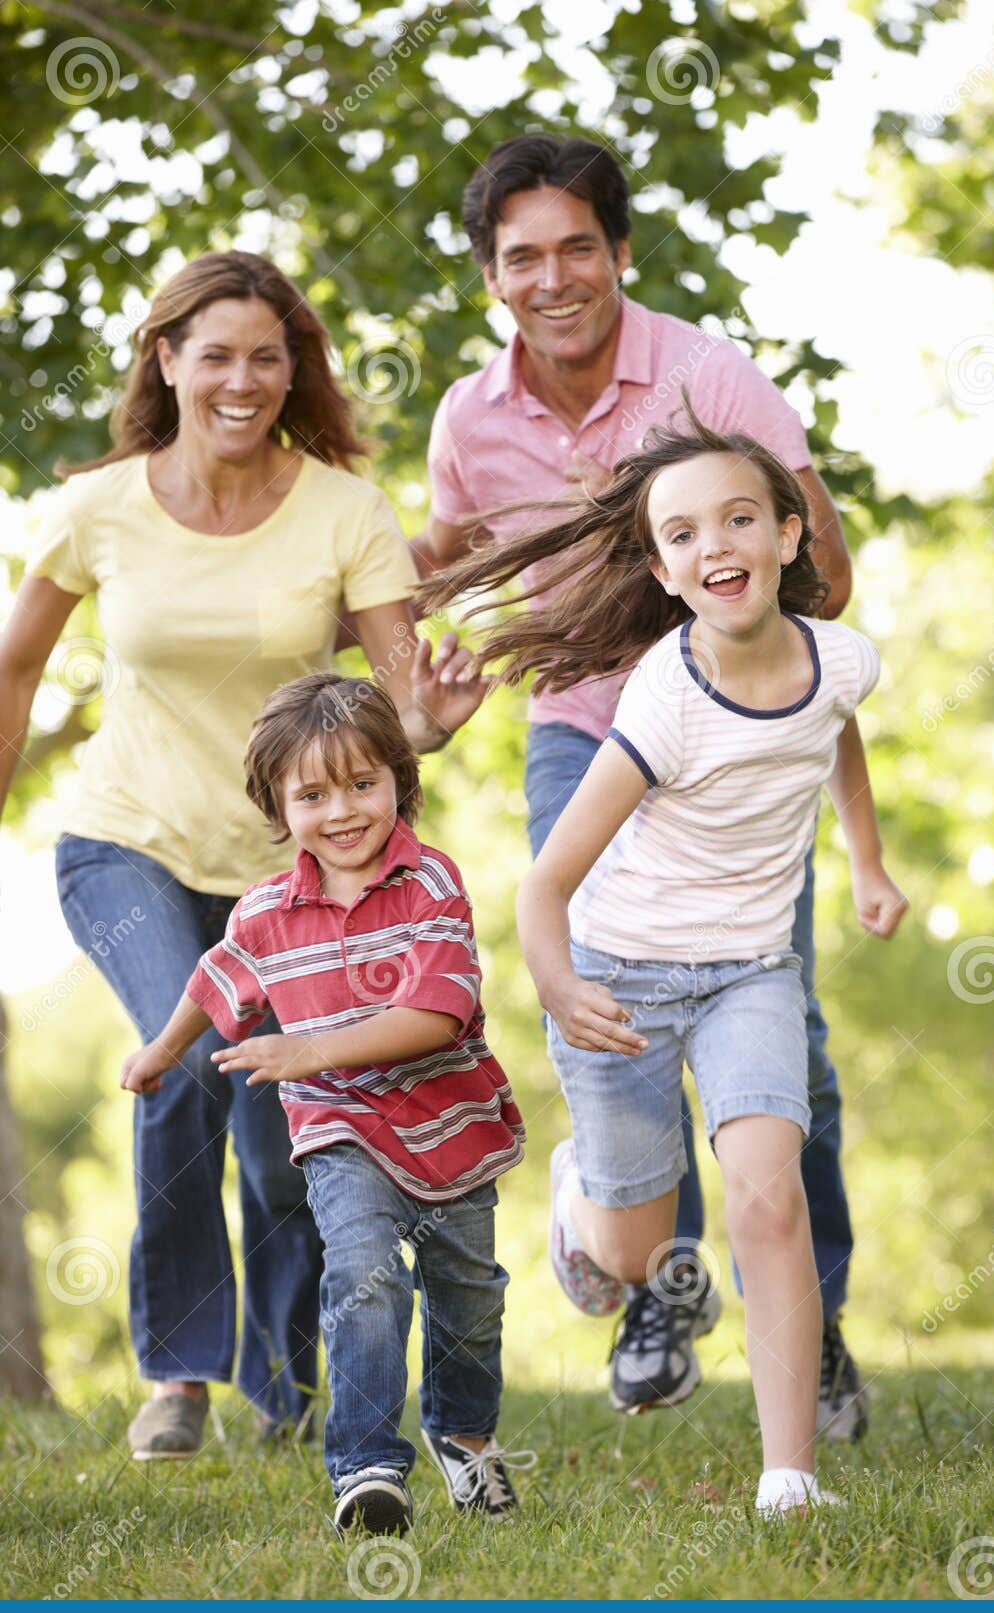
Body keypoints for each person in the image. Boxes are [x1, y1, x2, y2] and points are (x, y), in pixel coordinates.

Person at [414, 133, 869, 1436]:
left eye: (575, 247)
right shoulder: (468, 417)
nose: (551, 276)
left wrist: (714, 622)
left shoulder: (703, 374)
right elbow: (438, 557)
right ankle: (658, 1278)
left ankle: (812, 1320)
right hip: (579, 737)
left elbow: (817, 560)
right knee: (614, 1018)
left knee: (785, 1047)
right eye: (520, 257)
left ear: (619, 251)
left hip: (730, 746)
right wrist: (335, 598)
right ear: (489, 279)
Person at [0, 251, 483, 1459]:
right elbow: (13, 667)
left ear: (292, 369)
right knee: (186, 1049)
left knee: (285, 1116)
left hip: (289, 872)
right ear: (166, 360)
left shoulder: (343, 511)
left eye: (267, 356)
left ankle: (286, 1378)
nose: (242, 378)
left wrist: (430, 720)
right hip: (127, 838)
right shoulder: (97, 507)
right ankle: (177, 1374)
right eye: (214, 353)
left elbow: (397, 705)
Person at [440, 413, 907, 1513]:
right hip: (623, 975)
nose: (716, 544)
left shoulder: (840, 657)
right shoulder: (664, 694)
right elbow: (544, 884)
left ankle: (786, 1476)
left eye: (739, 517)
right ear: (662, 568)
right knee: (637, 1255)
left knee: (766, 1196)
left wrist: (867, 861)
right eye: (684, 533)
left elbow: (833, 729)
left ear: (790, 534)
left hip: (750, 968)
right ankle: (579, 1207)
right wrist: (558, 987)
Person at [120, 674, 529, 1535]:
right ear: (277, 802)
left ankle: (464, 1435)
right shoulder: (267, 910)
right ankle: (367, 1466)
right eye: (311, 794)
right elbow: (217, 981)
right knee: (362, 1278)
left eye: (361, 784)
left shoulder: (431, 886)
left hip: (449, 1125)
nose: (341, 811)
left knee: (467, 1295)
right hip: (338, 1127)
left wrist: (306, 1047)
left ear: (398, 781)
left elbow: (437, 1012)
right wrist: (162, 1052)